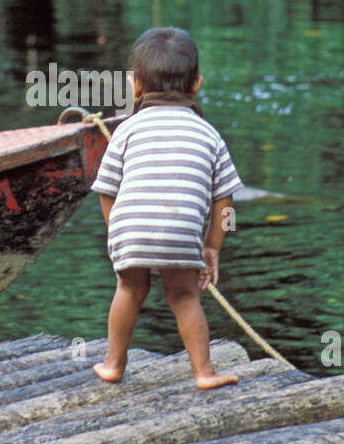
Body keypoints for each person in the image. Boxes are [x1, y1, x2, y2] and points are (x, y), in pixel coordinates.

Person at [89, 26, 245, 390]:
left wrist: (117, 231)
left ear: (134, 85)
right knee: (185, 296)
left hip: (129, 229)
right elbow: (225, 200)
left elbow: (106, 189)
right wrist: (212, 248)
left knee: (128, 289)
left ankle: (113, 364)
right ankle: (204, 372)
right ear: (196, 85)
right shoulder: (208, 134)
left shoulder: (126, 130)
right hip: (182, 230)